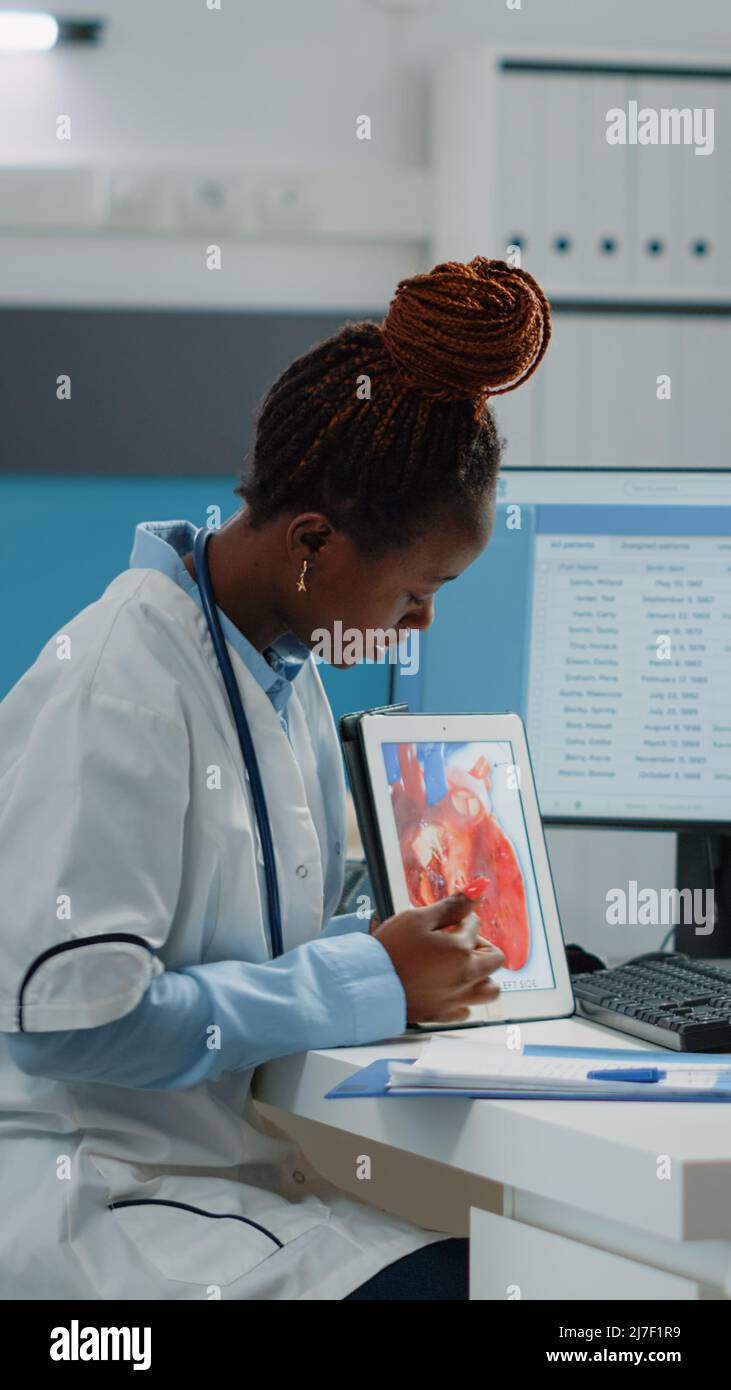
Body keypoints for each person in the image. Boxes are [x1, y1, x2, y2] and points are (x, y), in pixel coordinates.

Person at [0, 255, 551, 1300]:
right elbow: (76, 1020)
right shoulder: (121, 682)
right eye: (418, 590)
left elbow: (249, 941)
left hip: (224, 1174)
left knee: (518, 1267)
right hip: (93, 1199)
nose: (421, 622)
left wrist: (399, 944)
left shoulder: (278, 671)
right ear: (311, 543)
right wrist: (369, 977)